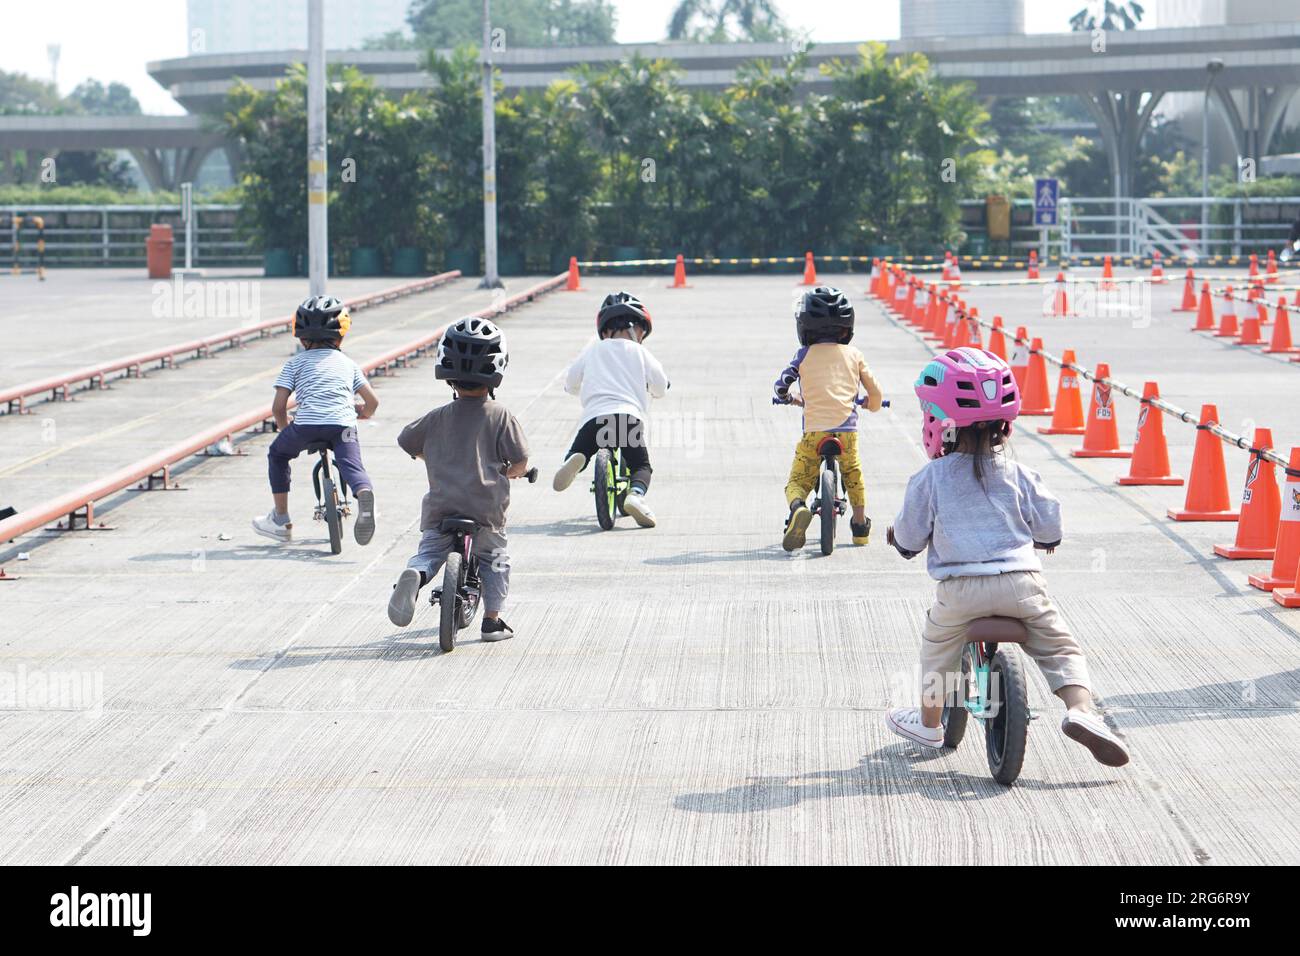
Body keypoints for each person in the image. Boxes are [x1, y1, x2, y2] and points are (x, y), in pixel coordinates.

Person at [883, 346, 1129, 768]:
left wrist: (899, 540)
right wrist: (1045, 540)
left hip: (961, 592)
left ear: (939, 423)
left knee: (938, 648)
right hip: (1023, 584)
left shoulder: (930, 478)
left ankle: (927, 722)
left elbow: (909, 535)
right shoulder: (1020, 474)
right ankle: (1081, 711)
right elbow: (1050, 525)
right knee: (1060, 648)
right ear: (1004, 424)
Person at [387, 316, 530, 642]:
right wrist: (510, 472)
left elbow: (406, 440)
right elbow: (521, 460)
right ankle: (492, 622)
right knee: (495, 561)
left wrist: (429, 457)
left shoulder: (437, 417)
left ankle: (418, 574)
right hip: (485, 512)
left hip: (441, 509)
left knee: (429, 552)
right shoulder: (500, 415)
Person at [252, 295, 378, 545]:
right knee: (352, 466)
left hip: (306, 425)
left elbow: (278, 407)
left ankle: (281, 520)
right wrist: (363, 413)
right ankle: (364, 494)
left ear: (301, 337)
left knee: (277, 455)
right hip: (342, 425)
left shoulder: (294, 364)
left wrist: (287, 430)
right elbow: (373, 402)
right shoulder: (348, 364)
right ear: (341, 336)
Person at [773, 286, 883, 550]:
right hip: (847, 429)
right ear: (847, 328)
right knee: (853, 472)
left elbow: (780, 387)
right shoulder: (854, 355)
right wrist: (873, 405)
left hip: (815, 431)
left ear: (804, 327)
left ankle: (798, 507)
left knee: (799, 480)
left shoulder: (803, 355)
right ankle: (859, 526)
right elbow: (875, 392)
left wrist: (790, 398)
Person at [552, 291, 669, 527]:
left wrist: (574, 390)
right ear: (639, 331)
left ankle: (577, 459)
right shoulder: (640, 352)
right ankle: (635, 495)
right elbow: (660, 384)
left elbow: (571, 381)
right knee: (641, 466)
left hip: (595, 417)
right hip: (628, 418)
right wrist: (657, 390)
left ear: (604, 331)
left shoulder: (592, 350)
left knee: (582, 449)